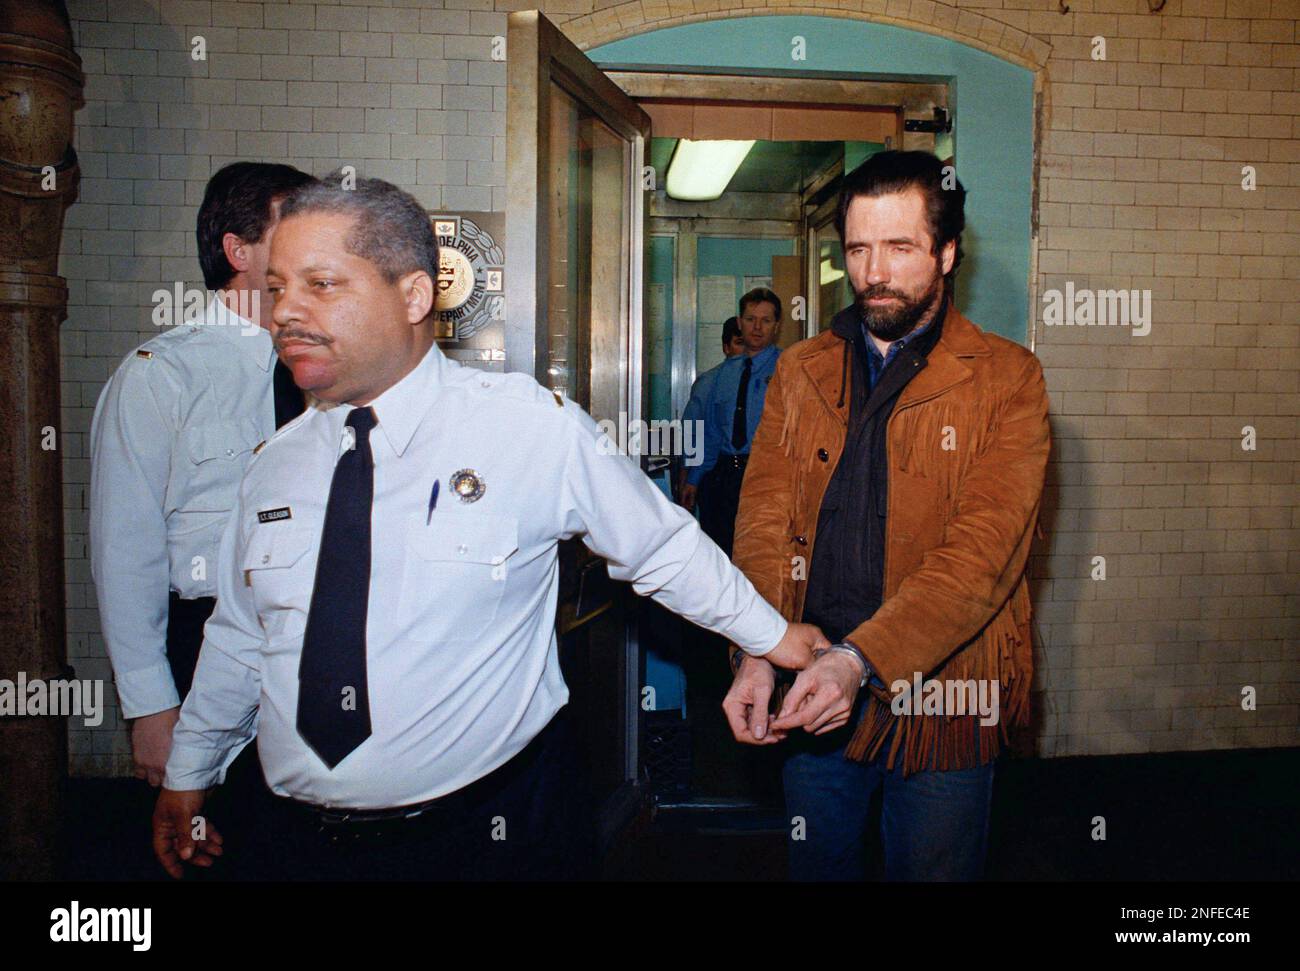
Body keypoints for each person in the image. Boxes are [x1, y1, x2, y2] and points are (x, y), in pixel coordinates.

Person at [150, 174, 828, 881]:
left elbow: (659, 545)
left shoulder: (524, 426)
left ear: (414, 295)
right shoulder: (273, 464)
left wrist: (772, 637)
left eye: (320, 285)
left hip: (489, 838)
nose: (284, 311)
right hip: (296, 845)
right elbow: (240, 634)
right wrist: (188, 771)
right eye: (279, 286)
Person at [723, 150, 1050, 881]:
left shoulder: (1007, 379)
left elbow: (983, 556)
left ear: (947, 252)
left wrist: (859, 661)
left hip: (944, 698)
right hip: (809, 689)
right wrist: (754, 646)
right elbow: (766, 522)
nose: (874, 271)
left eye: (900, 247)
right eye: (860, 248)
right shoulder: (801, 370)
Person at [90, 162, 315, 793]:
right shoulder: (161, 375)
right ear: (238, 251)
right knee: (218, 838)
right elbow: (124, 551)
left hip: (314, 640)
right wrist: (151, 707)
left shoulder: (332, 369)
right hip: (207, 642)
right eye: (293, 231)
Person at [681, 289, 783, 556]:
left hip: (766, 476)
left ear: (777, 326)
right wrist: (694, 479)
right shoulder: (723, 375)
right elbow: (712, 433)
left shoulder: (789, 370)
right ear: (739, 322)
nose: (757, 327)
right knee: (719, 555)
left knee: (761, 556)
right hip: (723, 477)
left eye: (766, 320)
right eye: (750, 319)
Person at [675, 315, 743, 503]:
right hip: (715, 475)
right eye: (739, 343)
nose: (745, 352)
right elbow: (691, 432)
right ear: (726, 347)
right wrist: (686, 479)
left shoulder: (763, 384)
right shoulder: (710, 383)